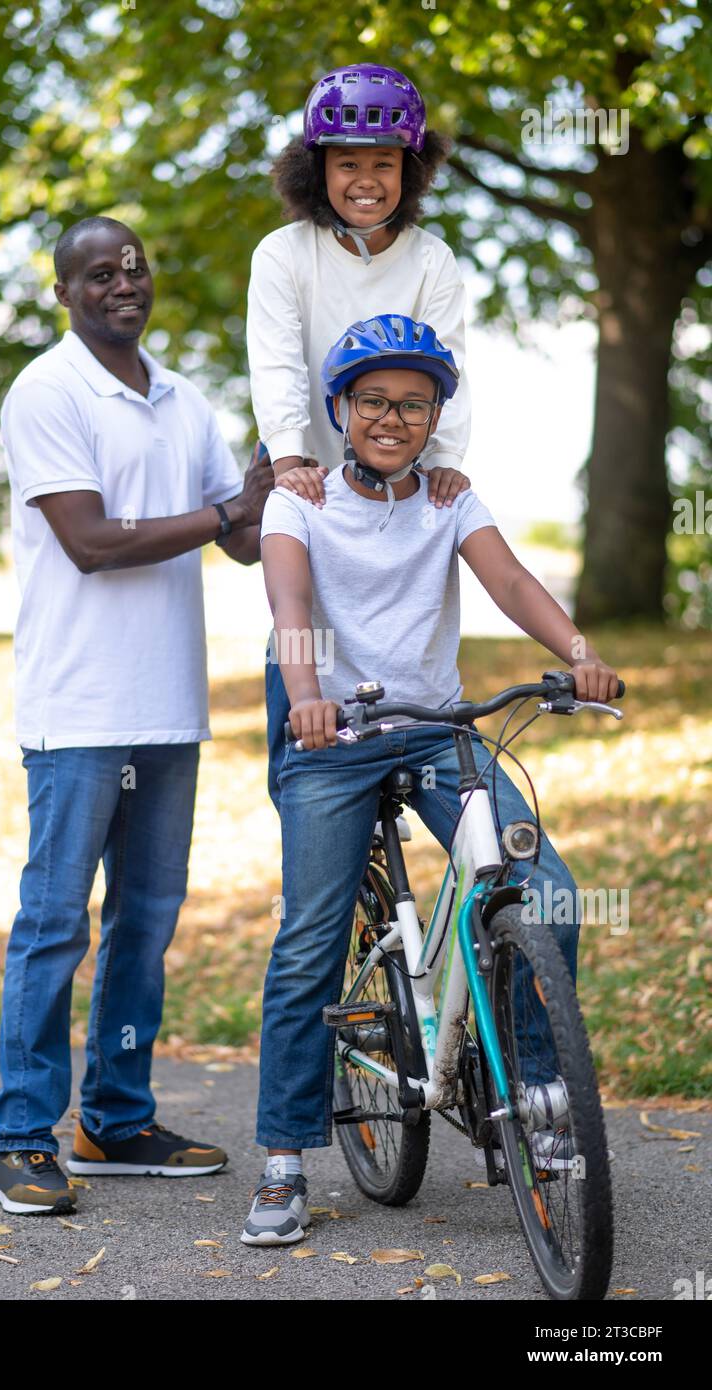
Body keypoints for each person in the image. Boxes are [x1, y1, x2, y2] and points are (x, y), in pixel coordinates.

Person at [240, 314, 621, 1245]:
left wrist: (580, 656)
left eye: (414, 403)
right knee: (310, 937)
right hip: (331, 733)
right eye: (372, 400)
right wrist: (305, 698)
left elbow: (515, 582)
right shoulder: (301, 502)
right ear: (340, 408)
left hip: (433, 731)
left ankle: (536, 1095)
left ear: (436, 416)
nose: (391, 417)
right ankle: (285, 1162)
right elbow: (290, 604)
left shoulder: (451, 501)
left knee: (547, 893)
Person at [0, 215, 273, 1216]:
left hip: (168, 707)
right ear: (63, 293)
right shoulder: (47, 391)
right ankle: (19, 1136)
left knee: (144, 926)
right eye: (99, 272)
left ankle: (114, 1118)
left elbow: (240, 539)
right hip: (79, 711)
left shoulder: (185, 399)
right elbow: (93, 543)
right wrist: (223, 516)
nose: (124, 282)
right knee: (55, 925)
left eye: (136, 267)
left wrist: (275, 480)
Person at [246, 63, 473, 809]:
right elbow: (277, 359)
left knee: (400, 622)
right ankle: (307, 794)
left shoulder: (432, 260)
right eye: (348, 163)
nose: (366, 179)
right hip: (306, 467)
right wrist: (289, 459)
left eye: (384, 163)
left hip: (402, 456)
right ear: (319, 171)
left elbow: (451, 361)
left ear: (412, 169)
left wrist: (442, 460)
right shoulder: (283, 254)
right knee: (299, 619)